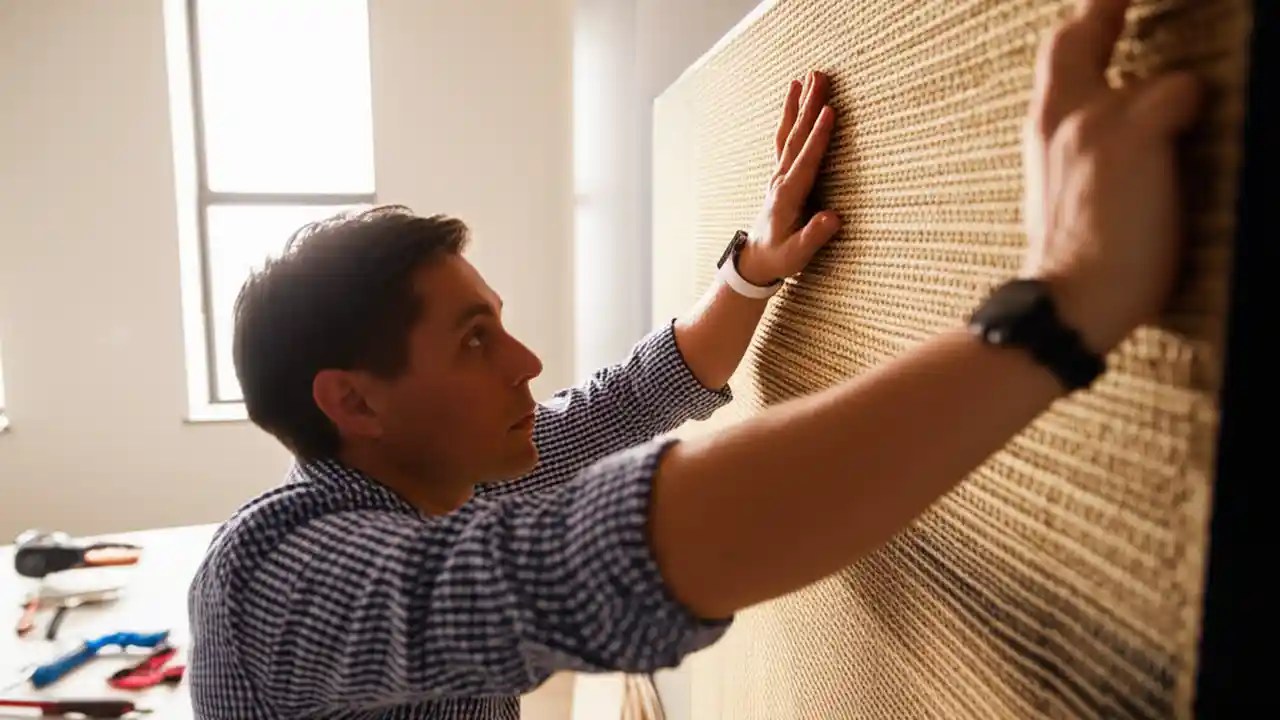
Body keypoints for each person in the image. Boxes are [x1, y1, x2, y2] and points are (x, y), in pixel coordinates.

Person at [187, 0, 1202, 717]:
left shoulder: (455, 476)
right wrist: (1064, 299)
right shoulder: (271, 582)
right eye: (472, 339)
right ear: (353, 404)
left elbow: (627, 402)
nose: (525, 359)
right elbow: (591, 565)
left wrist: (751, 267)